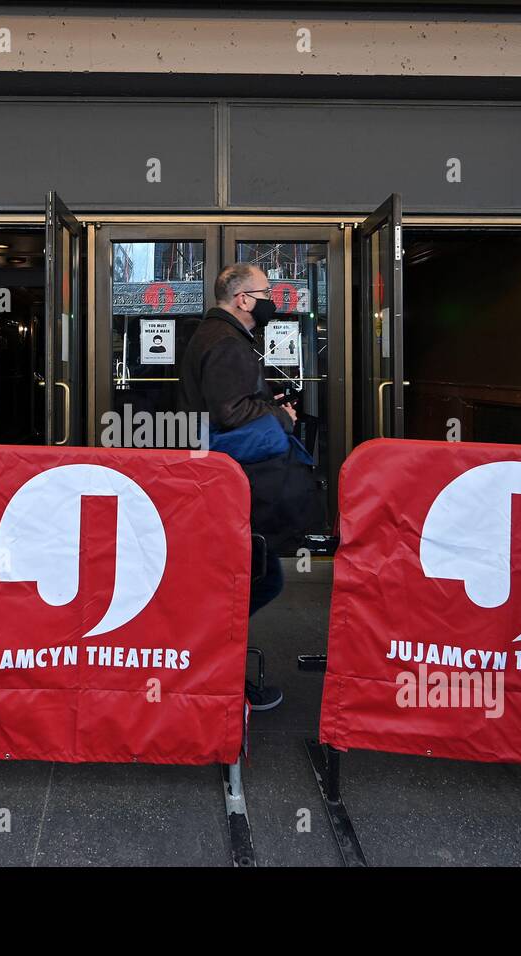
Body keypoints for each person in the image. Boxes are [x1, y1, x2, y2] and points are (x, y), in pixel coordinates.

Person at [179, 263, 295, 711]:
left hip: (217, 481)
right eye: (267, 291)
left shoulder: (220, 337)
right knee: (259, 579)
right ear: (244, 299)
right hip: (224, 482)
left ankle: (210, 665)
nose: (273, 299)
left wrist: (268, 406)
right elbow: (230, 411)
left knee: (249, 579)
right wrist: (281, 419)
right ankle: (211, 666)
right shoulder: (226, 342)